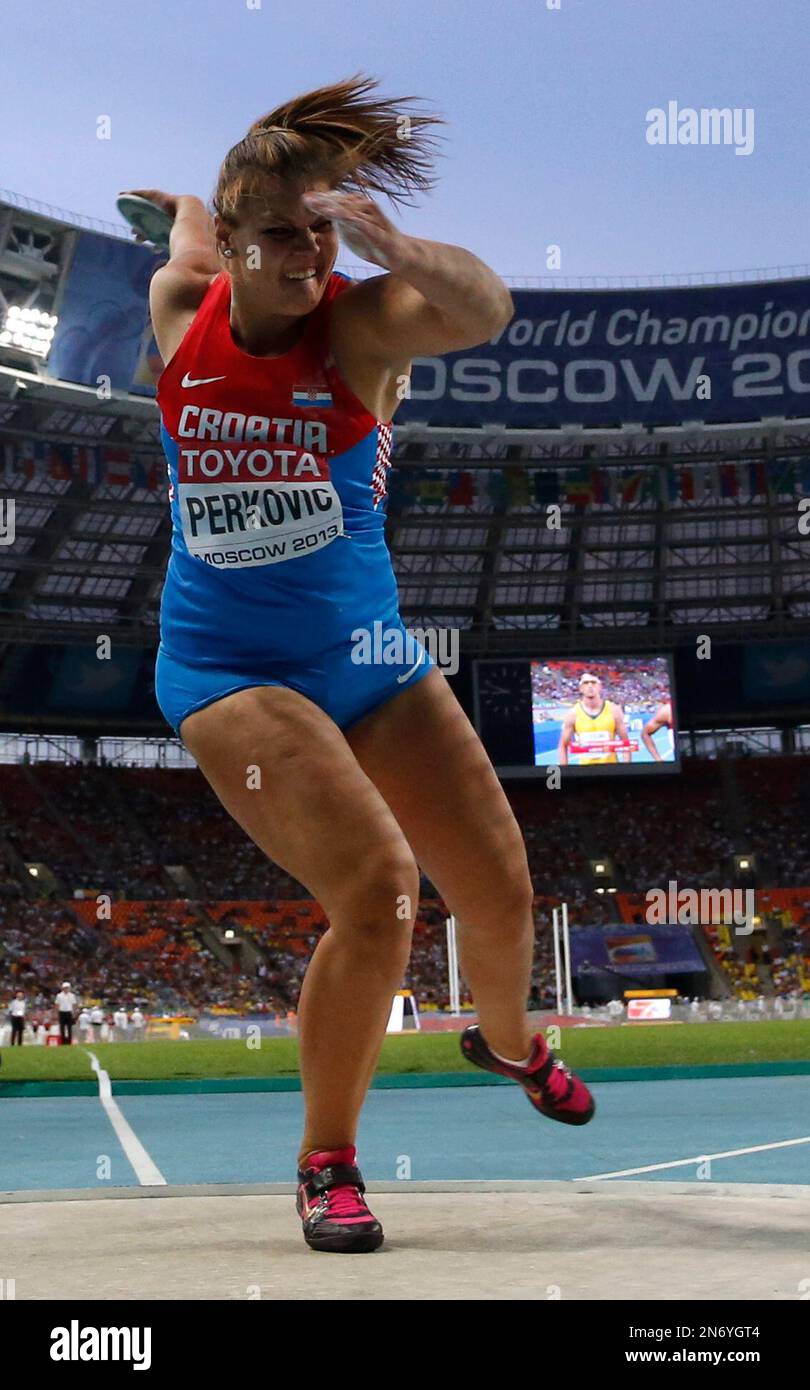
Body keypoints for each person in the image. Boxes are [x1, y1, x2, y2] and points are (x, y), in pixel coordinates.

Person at [125, 73, 594, 1256]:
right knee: (383, 890)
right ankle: (327, 1160)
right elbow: (188, 229)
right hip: (227, 668)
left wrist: (396, 244)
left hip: (369, 653)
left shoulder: (362, 322)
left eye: (319, 230)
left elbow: (485, 310)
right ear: (231, 243)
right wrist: (185, 202)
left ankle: (506, 1042)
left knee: (499, 891)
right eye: (278, 234)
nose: (305, 255)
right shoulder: (182, 302)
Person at [558, 672, 631, 766]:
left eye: (593, 682)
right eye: (586, 683)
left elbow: (625, 743)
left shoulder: (614, 710)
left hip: (611, 770)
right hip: (585, 771)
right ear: (581, 688)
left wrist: (626, 769)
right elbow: (562, 746)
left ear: (600, 686)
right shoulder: (573, 714)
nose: (590, 686)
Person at [55, 981, 77, 1046]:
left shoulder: (72, 995)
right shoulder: (59, 995)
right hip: (62, 1012)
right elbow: (57, 1004)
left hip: (69, 1012)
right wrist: (57, 1013)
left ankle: (69, 1042)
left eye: (67, 988)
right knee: (62, 1028)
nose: (66, 989)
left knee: (69, 1028)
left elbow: (74, 1005)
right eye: (65, 988)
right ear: (63, 988)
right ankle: (63, 1042)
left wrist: (74, 1013)